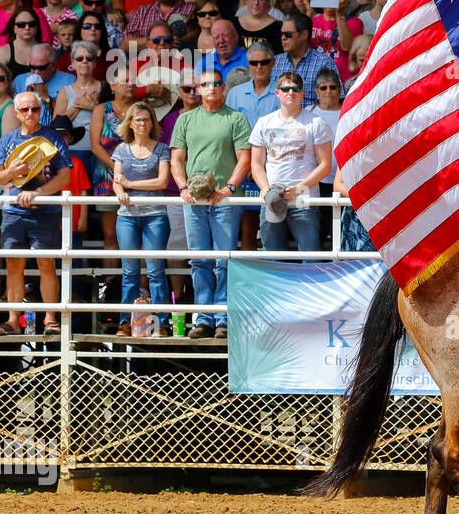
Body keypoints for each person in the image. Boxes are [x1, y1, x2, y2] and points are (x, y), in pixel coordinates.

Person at [170, 69, 251, 340]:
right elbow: (177, 159)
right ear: (199, 89)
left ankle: (222, 317)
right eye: (205, 84)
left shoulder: (236, 118)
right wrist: (182, 187)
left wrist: (228, 188)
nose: (211, 88)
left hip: (224, 200)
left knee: (224, 260)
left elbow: (244, 158)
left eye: (216, 83)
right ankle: (203, 317)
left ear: (223, 87)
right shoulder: (186, 119)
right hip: (194, 200)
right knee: (199, 259)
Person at [0, 91, 72, 336]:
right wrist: (11, 171)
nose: (30, 114)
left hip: (45, 211)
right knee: (14, 265)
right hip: (13, 212)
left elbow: (64, 176)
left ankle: (51, 320)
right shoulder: (7, 139)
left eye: (34, 109)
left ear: (40, 110)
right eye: (24, 110)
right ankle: (14, 321)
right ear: (16, 113)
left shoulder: (53, 138)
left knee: (46, 264)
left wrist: (40, 192)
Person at [249, 71, 332, 254]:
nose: (291, 93)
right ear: (277, 92)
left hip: (304, 198)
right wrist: (265, 189)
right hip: (272, 198)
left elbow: (325, 165)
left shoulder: (316, 123)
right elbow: (256, 164)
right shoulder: (263, 123)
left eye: (296, 89)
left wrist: (299, 188)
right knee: (273, 256)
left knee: (310, 257)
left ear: (302, 93)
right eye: (285, 89)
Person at [111, 101, 171, 337]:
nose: (142, 124)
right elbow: (117, 180)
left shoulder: (161, 148)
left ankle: (162, 323)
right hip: (127, 216)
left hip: (155, 215)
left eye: (146, 119)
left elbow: (162, 182)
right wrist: (121, 192)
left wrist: (129, 185)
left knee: (156, 270)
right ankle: (126, 322)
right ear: (130, 124)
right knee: (129, 272)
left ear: (152, 123)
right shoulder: (121, 149)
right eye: (138, 120)